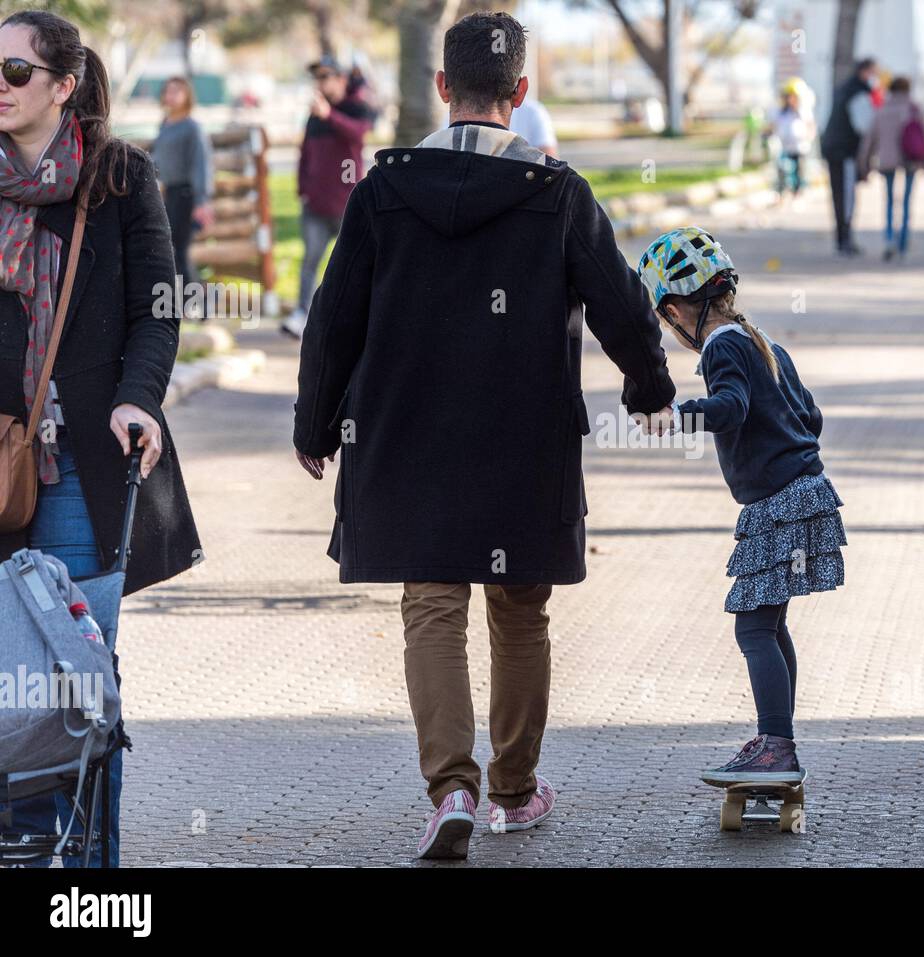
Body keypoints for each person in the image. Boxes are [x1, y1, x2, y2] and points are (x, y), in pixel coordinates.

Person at [291, 12, 676, 861]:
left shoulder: (384, 187)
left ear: (441, 88)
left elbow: (334, 313)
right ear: (521, 94)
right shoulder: (558, 190)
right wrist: (649, 386)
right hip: (522, 433)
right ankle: (512, 788)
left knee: (431, 604)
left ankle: (450, 788)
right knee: (519, 608)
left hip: (405, 428)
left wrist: (314, 418)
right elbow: (620, 302)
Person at [0, 9, 202, 867]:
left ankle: (88, 871)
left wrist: (137, 402)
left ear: (64, 85)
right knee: (10, 680)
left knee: (81, 676)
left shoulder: (120, 177)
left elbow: (158, 310)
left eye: (14, 72)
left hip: (86, 465)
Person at [635, 226, 845, 786]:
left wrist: (675, 416)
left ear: (677, 308)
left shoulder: (722, 345)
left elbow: (728, 408)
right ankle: (779, 740)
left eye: (666, 319)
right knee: (769, 625)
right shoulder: (759, 341)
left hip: (781, 501)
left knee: (753, 628)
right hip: (804, 492)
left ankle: (777, 745)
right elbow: (812, 414)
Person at [280, 54, 373, 339]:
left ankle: (348, 319)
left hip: (347, 203)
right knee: (310, 260)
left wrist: (329, 115)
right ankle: (301, 314)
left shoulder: (356, 107)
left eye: (325, 77)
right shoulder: (314, 115)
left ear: (341, 79)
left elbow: (358, 135)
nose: (320, 83)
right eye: (316, 78)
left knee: (349, 263)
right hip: (315, 204)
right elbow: (305, 152)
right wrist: (302, 188)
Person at [149, 76, 213, 314]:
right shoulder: (165, 124)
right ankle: (185, 302)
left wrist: (201, 200)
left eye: (177, 91)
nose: (172, 95)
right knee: (171, 249)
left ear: (187, 95)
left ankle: (198, 305)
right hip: (167, 194)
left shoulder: (192, 127)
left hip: (186, 195)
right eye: (168, 90)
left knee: (181, 250)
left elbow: (201, 165)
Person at [859, 75, 924, 262]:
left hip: (887, 160)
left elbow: (869, 139)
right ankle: (903, 241)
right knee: (907, 201)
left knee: (890, 200)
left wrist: (865, 164)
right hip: (911, 160)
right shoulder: (914, 109)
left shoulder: (882, 109)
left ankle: (889, 238)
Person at [820, 58, 878, 255]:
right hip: (844, 152)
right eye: (873, 72)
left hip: (834, 149)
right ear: (864, 72)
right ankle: (844, 239)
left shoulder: (844, 89)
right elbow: (864, 125)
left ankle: (842, 238)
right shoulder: (858, 93)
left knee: (839, 195)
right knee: (846, 196)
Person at [767, 79, 815, 198]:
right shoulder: (782, 112)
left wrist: (808, 138)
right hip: (785, 147)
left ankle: (798, 192)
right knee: (783, 169)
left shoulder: (803, 112)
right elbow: (773, 125)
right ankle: (783, 191)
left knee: (800, 172)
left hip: (800, 148)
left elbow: (811, 126)